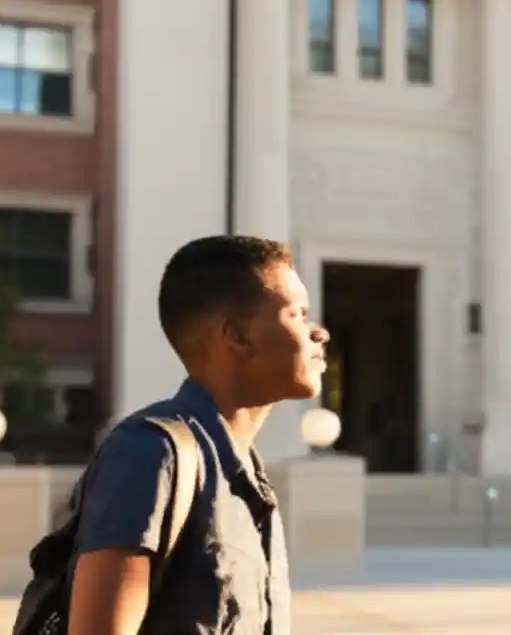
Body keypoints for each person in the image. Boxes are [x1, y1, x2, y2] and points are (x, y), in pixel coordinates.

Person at [65, 235, 329, 635]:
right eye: (298, 314)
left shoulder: (247, 478)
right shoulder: (149, 452)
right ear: (238, 337)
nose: (319, 333)